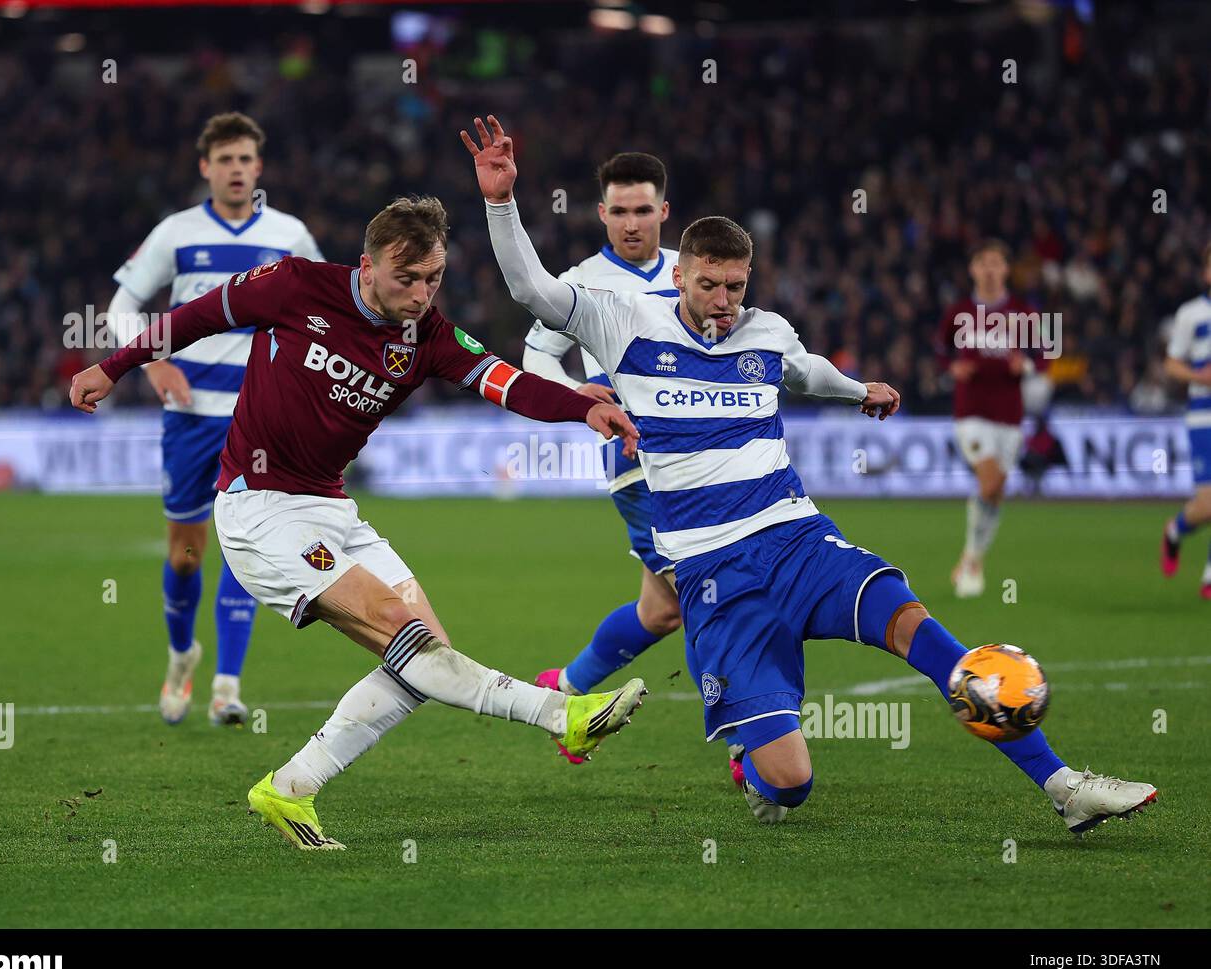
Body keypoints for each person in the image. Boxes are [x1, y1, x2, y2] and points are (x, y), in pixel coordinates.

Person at [464, 114, 1156, 835]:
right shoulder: (623, 320)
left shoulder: (764, 329)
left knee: (913, 623)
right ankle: (755, 756)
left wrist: (860, 391)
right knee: (790, 786)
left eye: (736, 286)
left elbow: (805, 369)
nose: (725, 303)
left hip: (797, 539)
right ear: (680, 276)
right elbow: (529, 290)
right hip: (715, 575)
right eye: (710, 286)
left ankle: (1064, 785)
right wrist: (502, 200)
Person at [72, 195, 647, 850]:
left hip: (332, 509)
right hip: (261, 509)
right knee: (414, 645)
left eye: (434, 278)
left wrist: (580, 407)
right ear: (368, 266)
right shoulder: (294, 286)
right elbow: (194, 318)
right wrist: (112, 367)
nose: (422, 293)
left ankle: (291, 788)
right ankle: (560, 715)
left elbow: (507, 384)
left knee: (425, 656)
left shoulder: (427, 336)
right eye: (408, 279)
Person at [520, 151, 747, 780]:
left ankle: (565, 689)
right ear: (601, 213)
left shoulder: (698, 273)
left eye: (643, 210)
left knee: (662, 610)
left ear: (664, 212)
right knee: (707, 594)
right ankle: (746, 745)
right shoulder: (582, 282)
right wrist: (577, 396)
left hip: (708, 464)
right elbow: (535, 355)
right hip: (638, 467)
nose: (630, 222)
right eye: (618, 211)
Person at [106, 112, 324, 726]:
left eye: (245, 160)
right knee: (186, 556)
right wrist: (152, 365)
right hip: (189, 416)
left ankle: (227, 686)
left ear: (259, 167)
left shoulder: (290, 236)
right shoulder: (176, 233)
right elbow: (122, 308)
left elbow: (322, 313)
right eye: (224, 160)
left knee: (243, 548)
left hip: (258, 423)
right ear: (206, 167)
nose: (236, 170)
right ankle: (183, 655)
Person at [933, 240, 1041, 598]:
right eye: (984, 263)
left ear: (1006, 269)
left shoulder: (1024, 313)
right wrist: (952, 368)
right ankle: (971, 564)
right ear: (973, 270)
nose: (990, 269)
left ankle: (970, 557)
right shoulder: (959, 311)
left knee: (996, 492)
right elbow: (938, 351)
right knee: (991, 480)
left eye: (997, 263)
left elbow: (1045, 357)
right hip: (972, 411)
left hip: (1010, 415)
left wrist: (1023, 365)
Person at [1160, 241, 1211, 598]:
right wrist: (1199, 377)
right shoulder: (1191, 314)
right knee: (1208, 502)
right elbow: (1171, 362)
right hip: (1203, 415)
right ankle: (1175, 530)